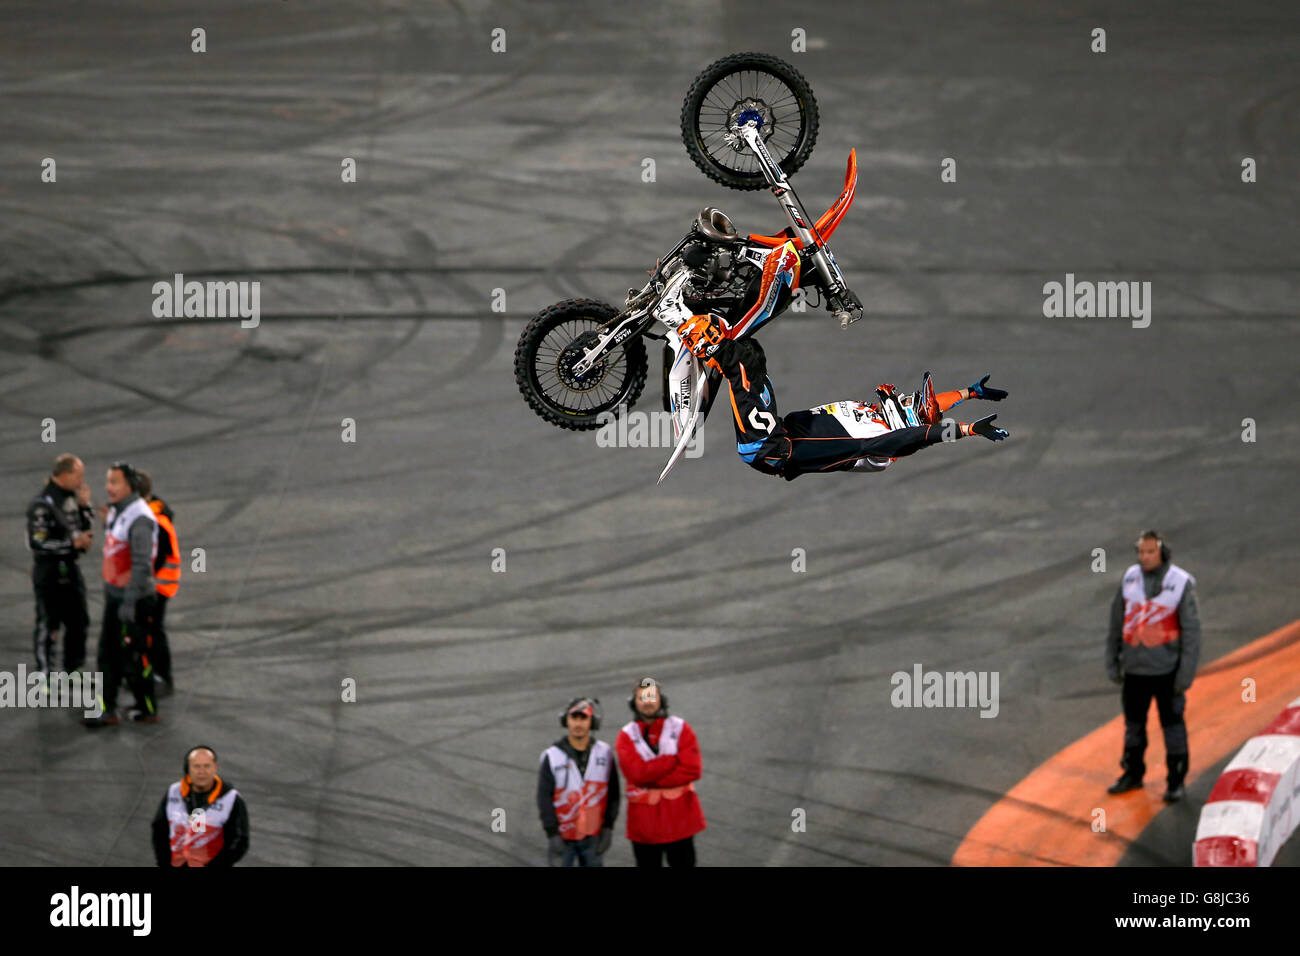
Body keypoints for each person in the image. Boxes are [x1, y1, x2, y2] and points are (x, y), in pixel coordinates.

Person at [676, 313, 1010, 479]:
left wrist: (967, 429)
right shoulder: (884, 422)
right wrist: (970, 392)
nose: (904, 398)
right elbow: (931, 410)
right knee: (753, 352)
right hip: (779, 431)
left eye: (910, 403)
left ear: (906, 421)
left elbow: (924, 433)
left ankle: (702, 342)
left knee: (741, 363)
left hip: (772, 448)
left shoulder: (884, 443)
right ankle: (712, 313)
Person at [1105, 531, 1202, 801]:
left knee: (1172, 728)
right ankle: (1132, 773)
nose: (1144, 557)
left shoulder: (1180, 583)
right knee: (1133, 726)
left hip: (1167, 673)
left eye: (1149, 552)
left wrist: (1185, 675)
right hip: (1135, 671)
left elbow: (1192, 634)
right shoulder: (1129, 579)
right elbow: (1116, 622)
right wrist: (1112, 661)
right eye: (1141, 552)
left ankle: (1175, 781)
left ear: (1162, 552)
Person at [83, 461, 159, 727]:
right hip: (117, 597)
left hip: (134, 601)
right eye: (108, 481)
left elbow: (141, 565)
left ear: (129, 485)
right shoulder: (118, 511)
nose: (108, 487)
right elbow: (117, 548)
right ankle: (106, 709)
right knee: (108, 655)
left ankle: (147, 707)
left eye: (114, 482)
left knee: (134, 658)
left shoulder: (140, 518)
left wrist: (127, 602)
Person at [616, 678, 706, 866]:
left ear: (661, 700)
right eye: (642, 697)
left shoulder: (681, 728)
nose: (648, 702)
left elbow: (692, 770)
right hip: (644, 826)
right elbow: (635, 775)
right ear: (634, 703)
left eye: (652, 696)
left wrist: (650, 777)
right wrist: (669, 761)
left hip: (679, 822)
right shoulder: (625, 735)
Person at [26, 454, 94, 674]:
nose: (82, 481)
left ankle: (74, 669)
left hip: (70, 568)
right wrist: (72, 544)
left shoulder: (72, 498)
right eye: (79, 476)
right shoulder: (41, 505)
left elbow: (83, 528)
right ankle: (45, 675)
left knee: (79, 620)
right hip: (49, 571)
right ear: (64, 474)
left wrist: (85, 507)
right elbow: (37, 543)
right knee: (49, 623)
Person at [537, 697, 620, 866]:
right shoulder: (551, 757)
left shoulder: (605, 753)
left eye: (584, 718)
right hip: (562, 836)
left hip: (593, 835)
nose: (578, 723)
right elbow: (544, 797)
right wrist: (552, 833)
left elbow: (614, 794)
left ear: (592, 722)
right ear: (566, 720)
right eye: (574, 718)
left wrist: (608, 827)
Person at [151, 746, 250, 866]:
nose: (202, 772)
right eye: (196, 766)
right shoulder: (174, 792)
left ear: (215, 767)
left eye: (207, 766)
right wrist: (164, 863)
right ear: (188, 769)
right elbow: (159, 830)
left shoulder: (231, 799)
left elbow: (239, 841)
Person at [136, 470, 180, 694]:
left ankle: (161, 675)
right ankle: (150, 672)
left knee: (154, 630)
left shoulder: (156, 521)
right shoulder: (154, 514)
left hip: (158, 586)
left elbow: (157, 557)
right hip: (157, 584)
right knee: (150, 629)